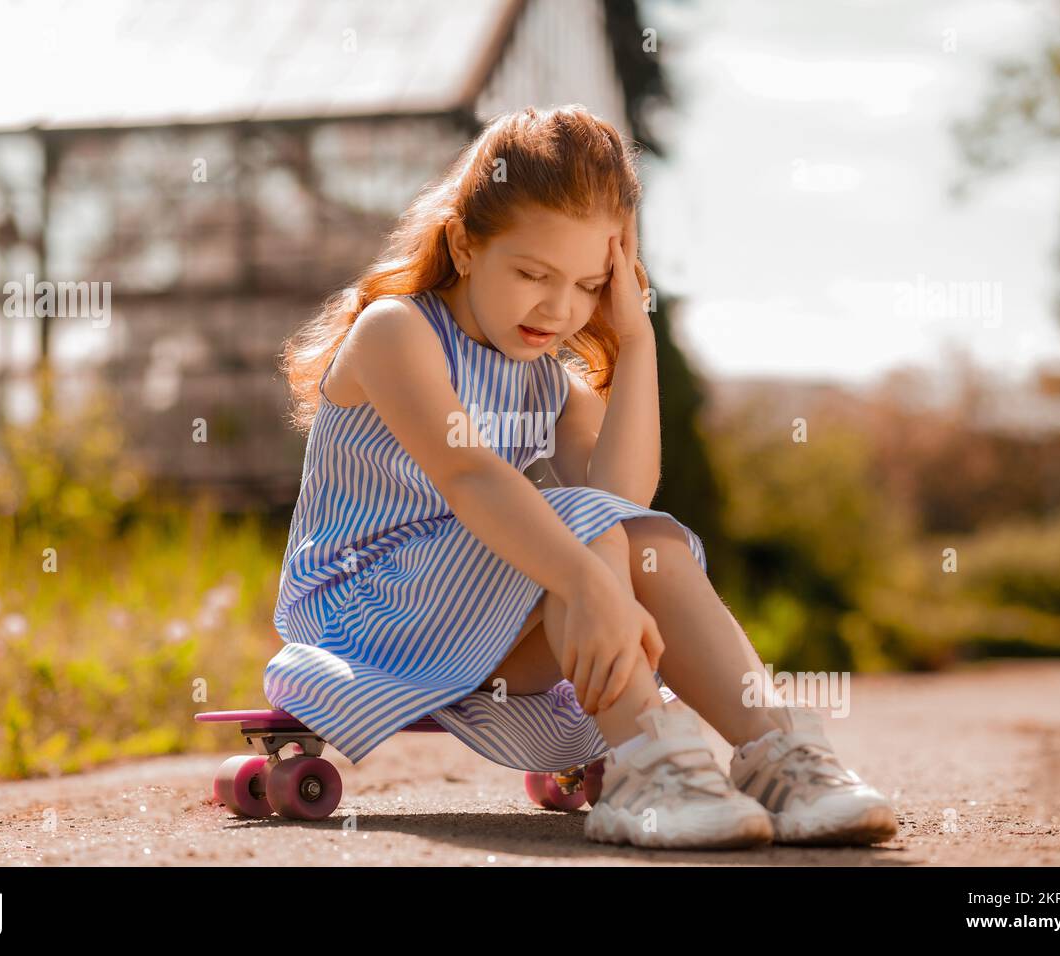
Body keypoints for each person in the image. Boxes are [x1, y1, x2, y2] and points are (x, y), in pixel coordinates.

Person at [264, 104, 897, 850]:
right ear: (465, 246)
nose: (559, 309)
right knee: (580, 532)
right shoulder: (396, 331)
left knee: (632, 537)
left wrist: (635, 338)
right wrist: (592, 585)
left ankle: (779, 756)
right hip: (362, 614)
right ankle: (648, 768)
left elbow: (622, 509)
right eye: (532, 273)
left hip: (474, 623)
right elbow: (470, 476)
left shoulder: (548, 381)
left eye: (590, 284)